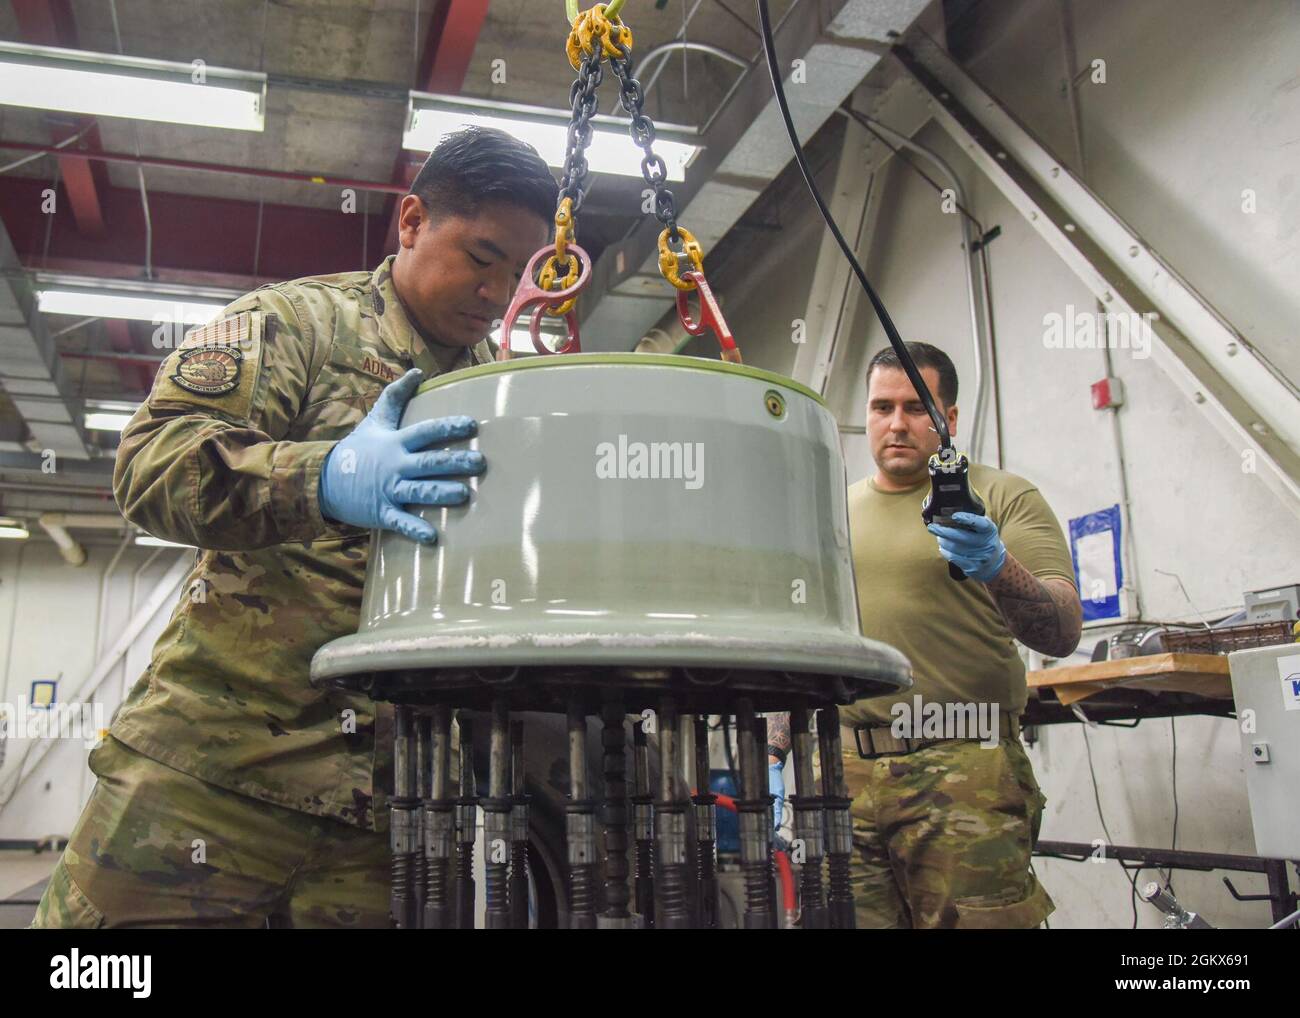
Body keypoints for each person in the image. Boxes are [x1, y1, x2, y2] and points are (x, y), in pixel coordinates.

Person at [32, 127, 555, 928]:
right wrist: (323, 478)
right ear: (412, 220)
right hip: (216, 774)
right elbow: (150, 466)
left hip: (396, 810)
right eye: (483, 258)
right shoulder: (297, 325)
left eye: (518, 273)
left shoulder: (499, 396)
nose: (497, 291)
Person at [837, 341, 1080, 928]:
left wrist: (997, 565)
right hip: (843, 774)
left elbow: (1063, 629)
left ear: (948, 419)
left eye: (916, 407)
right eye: (881, 407)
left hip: (962, 762)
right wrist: (775, 753)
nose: (897, 423)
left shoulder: (1000, 497)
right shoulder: (833, 510)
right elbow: (814, 637)